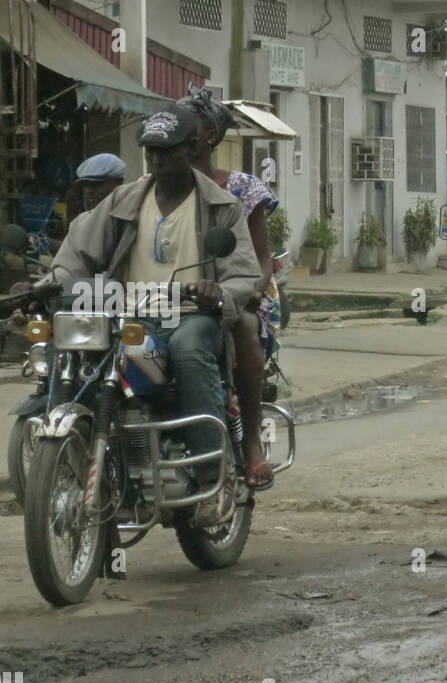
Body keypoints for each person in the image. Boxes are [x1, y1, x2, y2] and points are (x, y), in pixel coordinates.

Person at [50, 104, 262, 527]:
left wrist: (218, 289)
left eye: (168, 153)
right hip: (128, 312)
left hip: (190, 315)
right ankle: (71, 464)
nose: (158, 162)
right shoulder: (124, 200)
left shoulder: (222, 205)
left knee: (186, 350)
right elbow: (76, 250)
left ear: (191, 149)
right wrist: (52, 281)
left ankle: (213, 477)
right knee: (74, 347)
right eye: (151, 153)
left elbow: (245, 274)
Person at [179, 85, 276, 492]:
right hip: (175, 296)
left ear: (211, 136)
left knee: (247, 329)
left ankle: (252, 441)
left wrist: (246, 291)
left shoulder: (241, 188)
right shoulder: (158, 184)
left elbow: (263, 259)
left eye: (192, 123)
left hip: (238, 295)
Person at [70, 153, 127, 227]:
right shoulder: (78, 225)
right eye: (86, 185)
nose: (89, 191)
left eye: (96, 184)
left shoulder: (134, 220)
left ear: (119, 182)